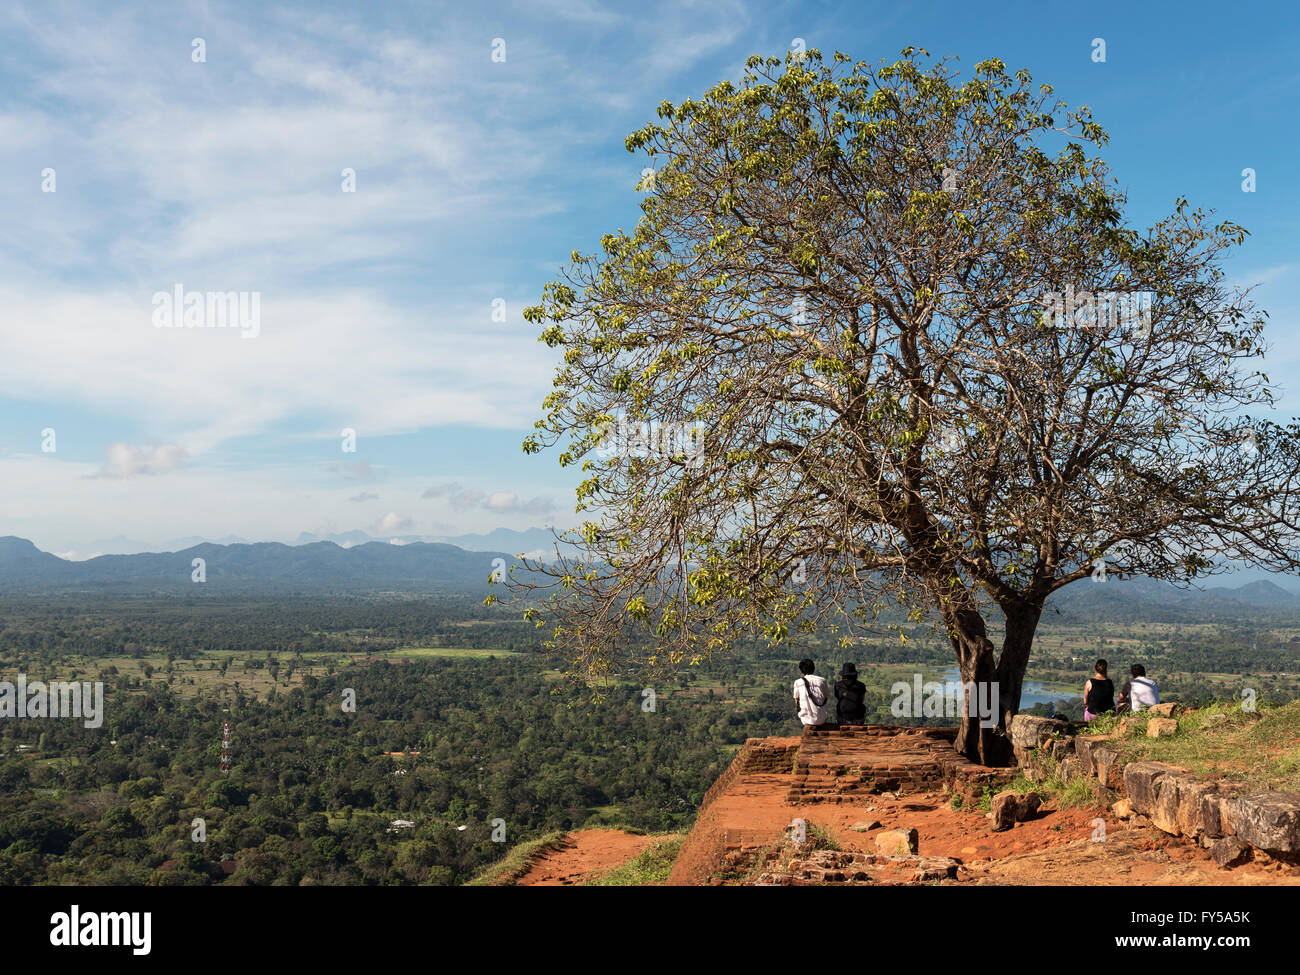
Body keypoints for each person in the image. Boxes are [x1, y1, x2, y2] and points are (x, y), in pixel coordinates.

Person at [792, 658, 829, 728]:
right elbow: (826, 698)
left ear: (801, 671)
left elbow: (796, 700)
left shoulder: (798, 682)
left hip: (806, 720)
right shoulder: (822, 680)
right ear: (813, 668)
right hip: (822, 719)